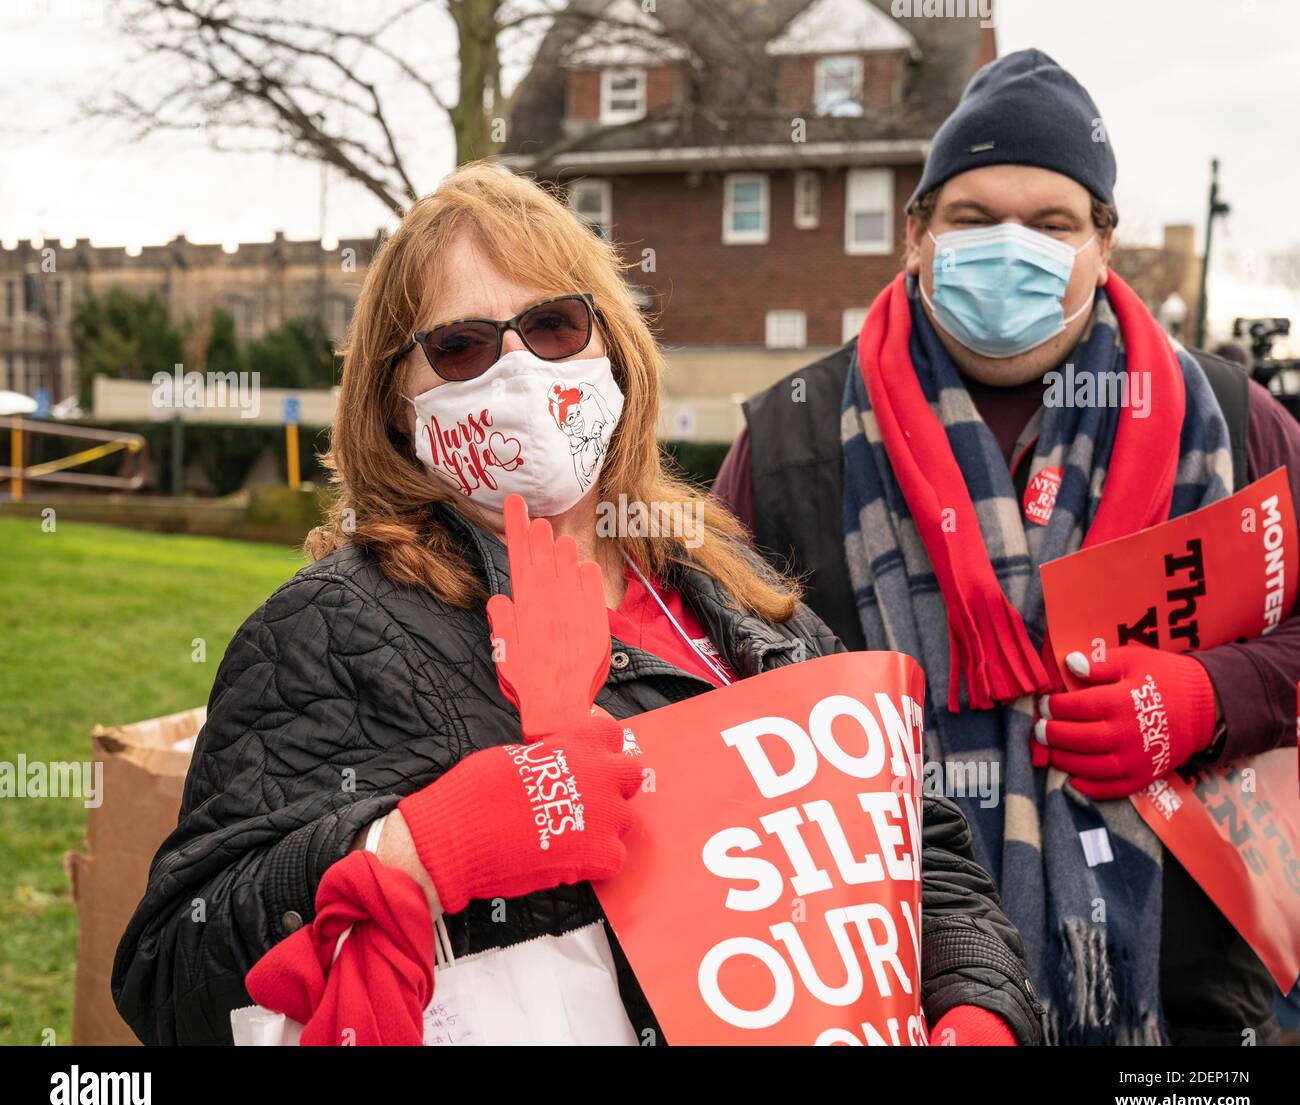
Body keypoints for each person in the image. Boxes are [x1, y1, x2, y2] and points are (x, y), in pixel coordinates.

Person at [111, 161, 1043, 1046]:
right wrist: (416, 849)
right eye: (462, 345)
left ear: (615, 348)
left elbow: (917, 844)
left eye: (555, 326)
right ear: (396, 402)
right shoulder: (337, 625)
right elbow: (171, 974)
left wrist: (975, 1002)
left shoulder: (727, 581)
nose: (519, 371)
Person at [714, 49, 1300, 1046]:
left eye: (1052, 223)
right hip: (889, 990)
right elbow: (705, 696)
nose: (1012, 248)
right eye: (975, 221)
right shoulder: (790, 438)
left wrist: (1206, 699)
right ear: (916, 235)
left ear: (1101, 243)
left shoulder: (1238, 425)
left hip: (1183, 1003)